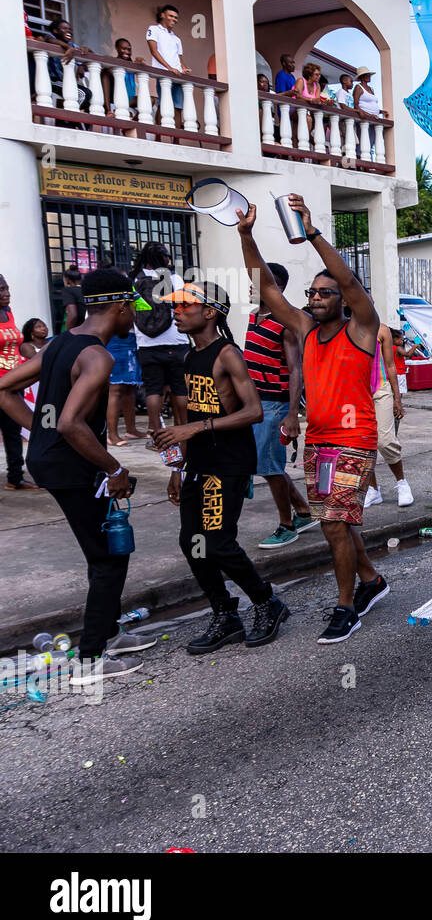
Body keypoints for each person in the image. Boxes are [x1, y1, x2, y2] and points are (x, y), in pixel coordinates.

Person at [237, 196, 389, 643]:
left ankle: (346, 608)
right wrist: (246, 235)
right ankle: (372, 582)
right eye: (312, 293)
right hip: (319, 442)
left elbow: (350, 280)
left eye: (325, 292)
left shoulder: (360, 328)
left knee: (333, 524)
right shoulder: (305, 330)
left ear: (345, 298)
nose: (316, 298)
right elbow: (264, 286)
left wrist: (313, 232)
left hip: (354, 440)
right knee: (334, 520)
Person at [0, 270, 157, 685]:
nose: (134, 318)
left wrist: (40, 431)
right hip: (74, 467)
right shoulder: (98, 355)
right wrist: (115, 467)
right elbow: (70, 423)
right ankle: (89, 659)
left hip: (55, 462)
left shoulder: (58, 344)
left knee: (102, 549)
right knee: (110, 557)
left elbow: (3, 388)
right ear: (121, 307)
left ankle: (109, 633)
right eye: (133, 310)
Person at [151, 281, 290, 653]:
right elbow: (186, 413)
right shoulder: (187, 356)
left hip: (227, 464)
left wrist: (196, 427)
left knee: (217, 542)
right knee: (191, 541)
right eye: (174, 307)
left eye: (184, 306)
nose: (176, 312)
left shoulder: (227, 353)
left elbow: (254, 411)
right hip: (198, 462)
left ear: (209, 312)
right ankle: (225, 613)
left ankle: (267, 602)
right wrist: (176, 466)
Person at [243, 261, 316, 549]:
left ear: (277, 289)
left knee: (270, 467)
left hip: (275, 404)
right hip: (256, 402)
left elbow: (296, 369)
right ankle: (303, 512)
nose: (251, 286)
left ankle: (287, 526)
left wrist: (291, 413)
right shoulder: (253, 317)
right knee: (269, 464)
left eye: (259, 282)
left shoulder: (284, 323)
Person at [128, 242, 188, 432]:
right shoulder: (173, 278)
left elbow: (132, 310)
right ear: (164, 258)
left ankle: (154, 429)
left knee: (153, 389)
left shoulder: (134, 280)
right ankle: (182, 427)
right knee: (180, 388)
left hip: (146, 344)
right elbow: (182, 304)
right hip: (176, 341)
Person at [364, 322, 413, 508]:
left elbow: (390, 365)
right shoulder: (345, 329)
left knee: (385, 440)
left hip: (381, 389)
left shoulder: (381, 329)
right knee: (363, 443)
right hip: (357, 392)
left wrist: (397, 398)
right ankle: (373, 490)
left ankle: (402, 483)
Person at [1, 274, 38, 490]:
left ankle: (15, 478)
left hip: (13, 382)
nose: (7, 294)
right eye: (1, 290)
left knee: (13, 431)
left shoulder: (8, 312)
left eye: (7, 289)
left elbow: (17, 345)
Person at [105, 319, 144, 445]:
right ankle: (112, 435)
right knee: (115, 389)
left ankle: (131, 430)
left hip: (131, 337)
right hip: (112, 337)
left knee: (130, 387)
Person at [145, 4, 189, 113]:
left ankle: (177, 130)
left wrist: (184, 68)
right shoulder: (154, 29)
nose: (174, 19)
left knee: (178, 108)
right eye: (171, 16)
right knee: (163, 106)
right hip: (164, 73)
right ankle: (159, 130)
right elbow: (154, 51)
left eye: (176, 17)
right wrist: (169, 68)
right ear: (162, 15)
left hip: (177, 76)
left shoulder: (176, 39)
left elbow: (179, 58)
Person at [61, 266, 84, 332]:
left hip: (78, 330)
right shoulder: (87, 290)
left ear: (67, 279)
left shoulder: (68, 291)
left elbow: (73, 315)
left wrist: (68, 333)